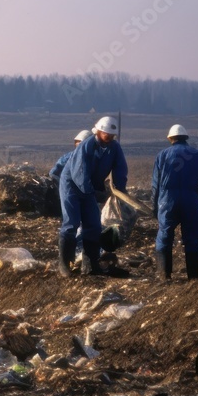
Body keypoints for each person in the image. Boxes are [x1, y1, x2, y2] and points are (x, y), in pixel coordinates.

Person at [57, 116, 127, 277]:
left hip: (89, 189)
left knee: (94, 225)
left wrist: (120, 189)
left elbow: (120, 168)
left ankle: (90, 266)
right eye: (106, 134)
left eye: (112, 135)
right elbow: (79, 173)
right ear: (99, 131)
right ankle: (65, 265)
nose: (109, 138)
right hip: (72, 186)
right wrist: (94, 192)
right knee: (71, 223)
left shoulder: (114, 148)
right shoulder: (86, 146)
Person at [151, 124, 198, 281]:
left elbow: (155, 184)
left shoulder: (162, 155)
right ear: (186, 138)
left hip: (167, 202)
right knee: (193, 238)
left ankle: (164, 276)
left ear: (170, 138)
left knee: (164, 236)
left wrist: (155, 207)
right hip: (190, 201)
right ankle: (194, 278)